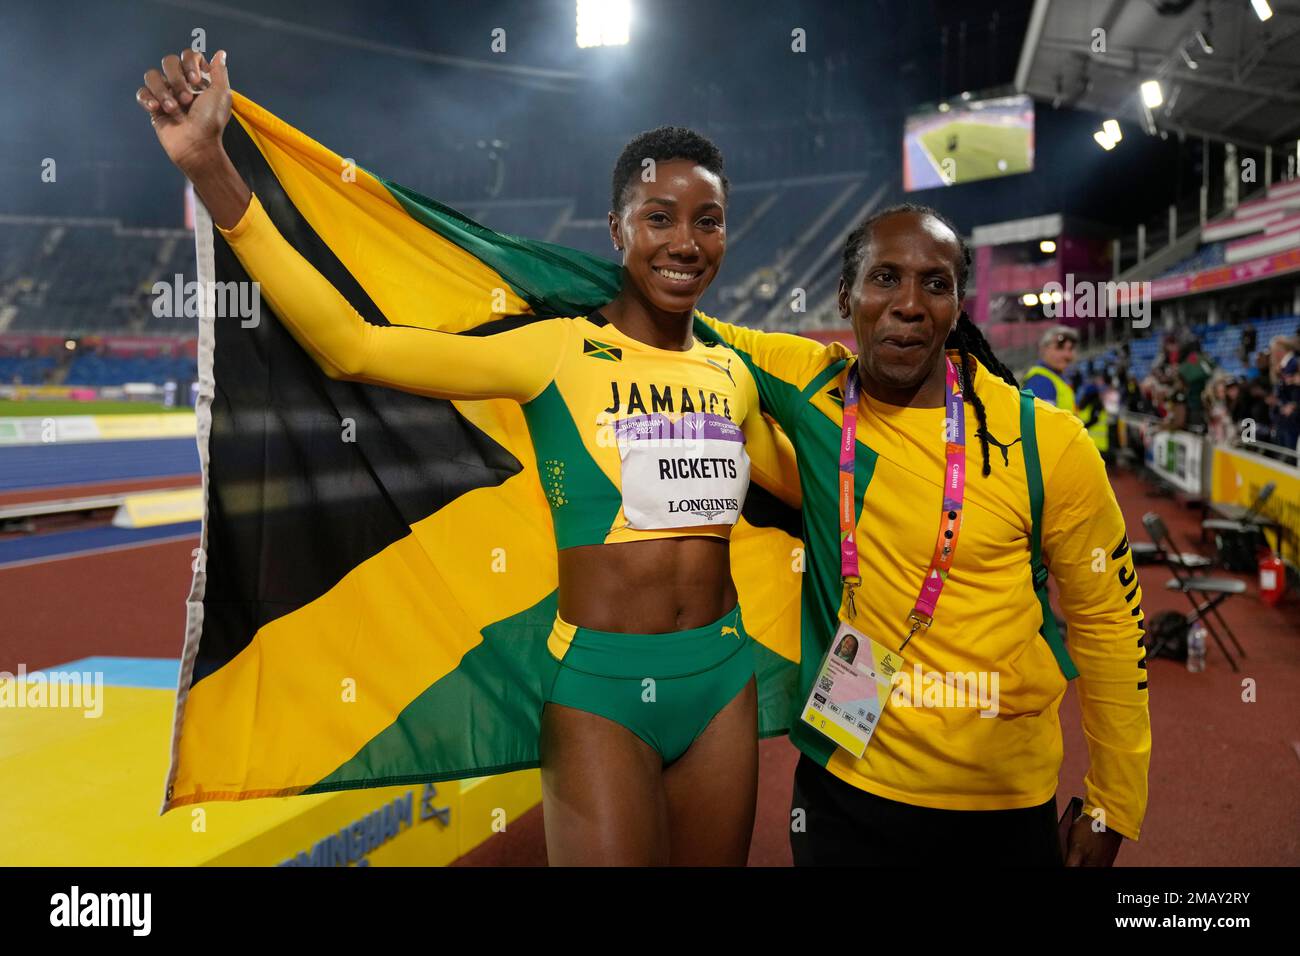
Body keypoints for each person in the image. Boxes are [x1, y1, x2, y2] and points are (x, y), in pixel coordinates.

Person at [136, 48, 802, 866]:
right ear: (617, 231)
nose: (686, 242)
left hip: (722, 676)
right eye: (659, 217)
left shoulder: (734, 375)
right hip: (600, 692)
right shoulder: (553, 352)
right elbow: (351, 346)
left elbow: (828, 485)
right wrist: (209, 166)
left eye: (709, 221)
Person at [697, 203, 1151, 866]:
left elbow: (1111, 626)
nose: (910, 304)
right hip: (842, 788)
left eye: (935, 284)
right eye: (886, 278)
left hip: (998, 804)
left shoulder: (1043, 443)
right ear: (846, 295)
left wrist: (1114, 802)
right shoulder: (811, 385)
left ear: (957, 302)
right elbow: (670, 317)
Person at [1022, 324, 1079, 413]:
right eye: (1059, 348)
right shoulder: (1041, 381)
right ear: (1043, 349)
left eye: (1070, 349)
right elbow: (1042, 423)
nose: (1067, 355)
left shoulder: (1055, 378)